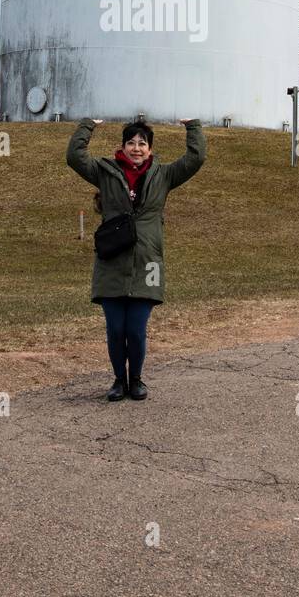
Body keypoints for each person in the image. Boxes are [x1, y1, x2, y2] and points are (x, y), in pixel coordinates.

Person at [66, 116, 206, 400]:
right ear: (123, 146)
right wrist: (86, 126)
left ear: (150, 150)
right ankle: (119, 380)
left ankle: (137, 380)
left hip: (148, 263)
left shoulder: (164, 175)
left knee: (136, 329)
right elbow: (74, 157)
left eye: (142, 143)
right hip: (112, 261)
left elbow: (196, 158)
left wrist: (193, 127)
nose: (137, 148)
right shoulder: (105, 172)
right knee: (116, 329)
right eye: (131, 142)